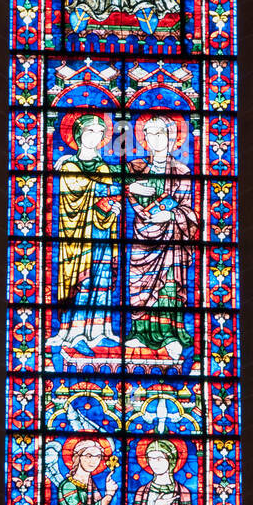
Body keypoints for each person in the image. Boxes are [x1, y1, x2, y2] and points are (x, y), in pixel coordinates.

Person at [47, 115, 121, 361]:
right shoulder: (67, 167)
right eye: (90, 131)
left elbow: (108, 199)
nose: (95, 136)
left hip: (100, 235)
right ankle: (73, 333)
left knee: (100, 281)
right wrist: (99, 199)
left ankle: (99, 330)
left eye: (100, 133)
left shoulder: (104, 169)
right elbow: (70, 202)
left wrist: (112, 208)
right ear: (77, 135)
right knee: (78, 282)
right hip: (75, 238)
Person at [125, 116, 199, 363]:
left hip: (171, 239)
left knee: (168, 284)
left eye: (161, 134)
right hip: (141, 236)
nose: (156, 140)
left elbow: (191, 212)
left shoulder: (182, 171)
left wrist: (172, 214)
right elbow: (116, 189)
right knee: (139, 284)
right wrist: (129, 190)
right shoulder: (134, 168)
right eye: (150, 135)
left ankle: (170, 336)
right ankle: (140, 332)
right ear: (144, 139)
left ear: (172, 138)